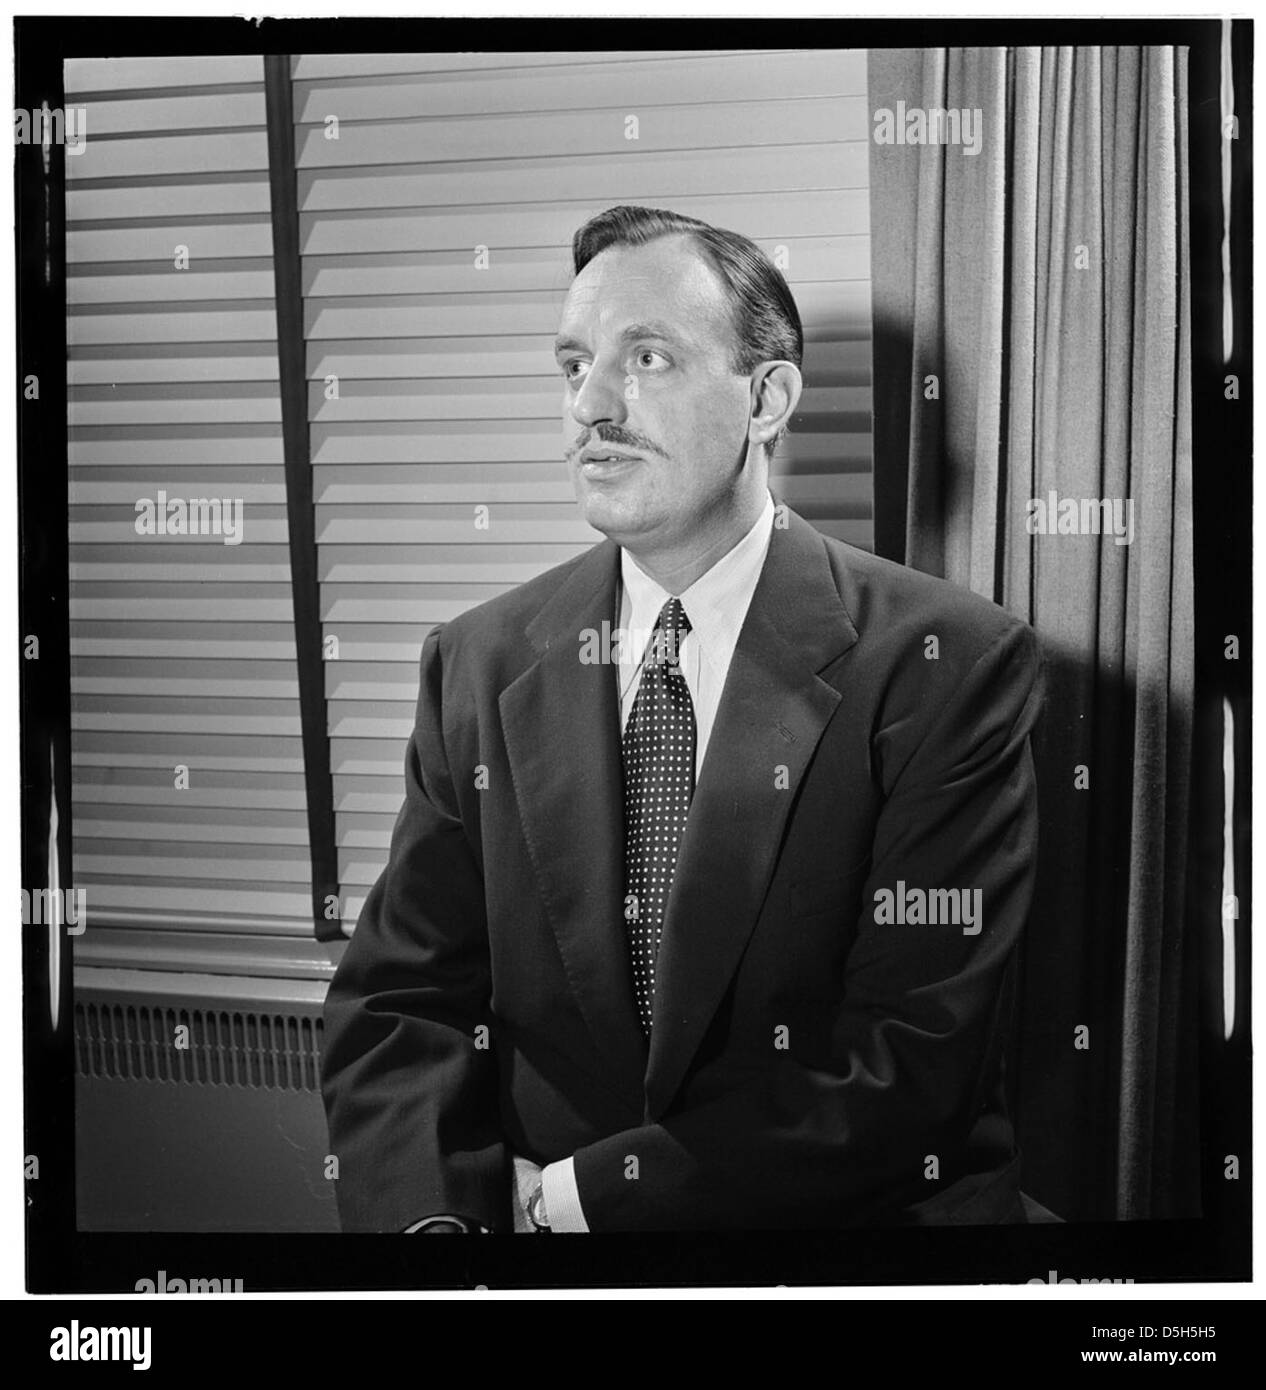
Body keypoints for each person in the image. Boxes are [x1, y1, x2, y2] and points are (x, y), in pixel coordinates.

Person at [320, 204, 1044, 1233]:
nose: (592, 405)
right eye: (574, 365)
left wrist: (571, 1199)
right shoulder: (477, 663)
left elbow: (911, 1061)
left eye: (647, 357)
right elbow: (399, 1004)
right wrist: (444, 1229)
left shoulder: (947, 667)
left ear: (768, 397)